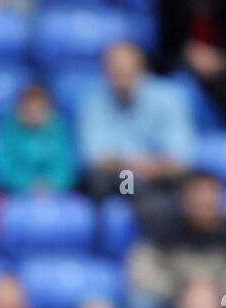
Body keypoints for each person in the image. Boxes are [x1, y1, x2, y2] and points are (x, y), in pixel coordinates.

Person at [125, 170, 226, 308]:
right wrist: (182, 291)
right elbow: (142, 269)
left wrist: (216, 293)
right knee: (141, 305)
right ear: (183, 200)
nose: (204, 202)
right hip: (172, 299)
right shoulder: (163, 230)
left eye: (210, 196)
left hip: (221, 301)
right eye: (197, 196)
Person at [77, 41, 194, 214]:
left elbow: (181, 157)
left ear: (142, 70)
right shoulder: (94, 103)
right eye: (115, 72)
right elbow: (95, 158)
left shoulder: (169, 97)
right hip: (121, 177)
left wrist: (145, 167)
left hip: (160, 176)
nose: (122, 79)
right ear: (105, 73)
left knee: (188, 182)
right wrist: (134, 167)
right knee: (107, 183)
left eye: (127, 72)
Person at [0, 84, 76, 194]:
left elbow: (67, 167)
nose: (34, 113)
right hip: (16, 193)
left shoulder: (60, 131)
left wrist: (51, 185)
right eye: (29, 109)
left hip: (57, 193)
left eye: (39, 109)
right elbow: (5, 169)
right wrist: (29, 185)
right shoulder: (9, 131)